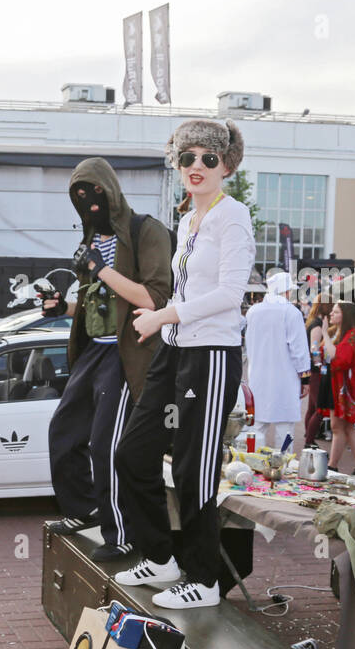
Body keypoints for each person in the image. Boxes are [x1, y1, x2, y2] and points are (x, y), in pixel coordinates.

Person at [112, 119, 255, 610]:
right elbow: (190, 288)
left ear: (226, 166)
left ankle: (205, 578)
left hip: (210, 355)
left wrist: (161, 316)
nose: (196, 166)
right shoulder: (189, 219)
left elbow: (231, 295)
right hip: (174, 349)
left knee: (195, 470)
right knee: (132, 453)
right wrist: (164, 320)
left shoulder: (232, 217)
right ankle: (161, 555)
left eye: (208, 159)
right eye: (188, 157)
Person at [46, 157, 172, 563]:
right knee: (63, 433)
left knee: (107, 445)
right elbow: (94, 304)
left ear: (111, 190)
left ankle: (123, 534)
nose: (87, 201)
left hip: (126, 353)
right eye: (78, 195)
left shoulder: (145, 231)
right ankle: (84, 509)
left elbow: (154, 298)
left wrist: (100, 268)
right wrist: (60, 308)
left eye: (94, 191)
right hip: (92, 351)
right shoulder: (90, 240)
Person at [244, 271, 310, 453]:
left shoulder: (253, 312)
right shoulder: (292, 313)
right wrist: (305, 378)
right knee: (285, 430)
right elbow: (299, 351)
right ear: (286, 292)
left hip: (258, 377)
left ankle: (253, 463)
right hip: (285, 380)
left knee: (256, 427)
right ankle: (284, 467)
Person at [323, 299, 355, 473]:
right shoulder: (339, 332)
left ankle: (333, 465)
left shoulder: (353, 334)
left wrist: (324, 333)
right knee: (344, 427)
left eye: (336, 312)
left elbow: (339, 359)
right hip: (336, 384)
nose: (331, 314)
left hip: (344, 386)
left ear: (345, 315)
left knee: (340, 426)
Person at [302, 294, 333, 446]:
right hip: (316, 371)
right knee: (320, 408)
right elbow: (314, 348)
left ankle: (309, 436)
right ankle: (309, 440)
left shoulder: (313, 322)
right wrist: (321, 366)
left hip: (314, 369)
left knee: (312, 407)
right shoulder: (317, 324)